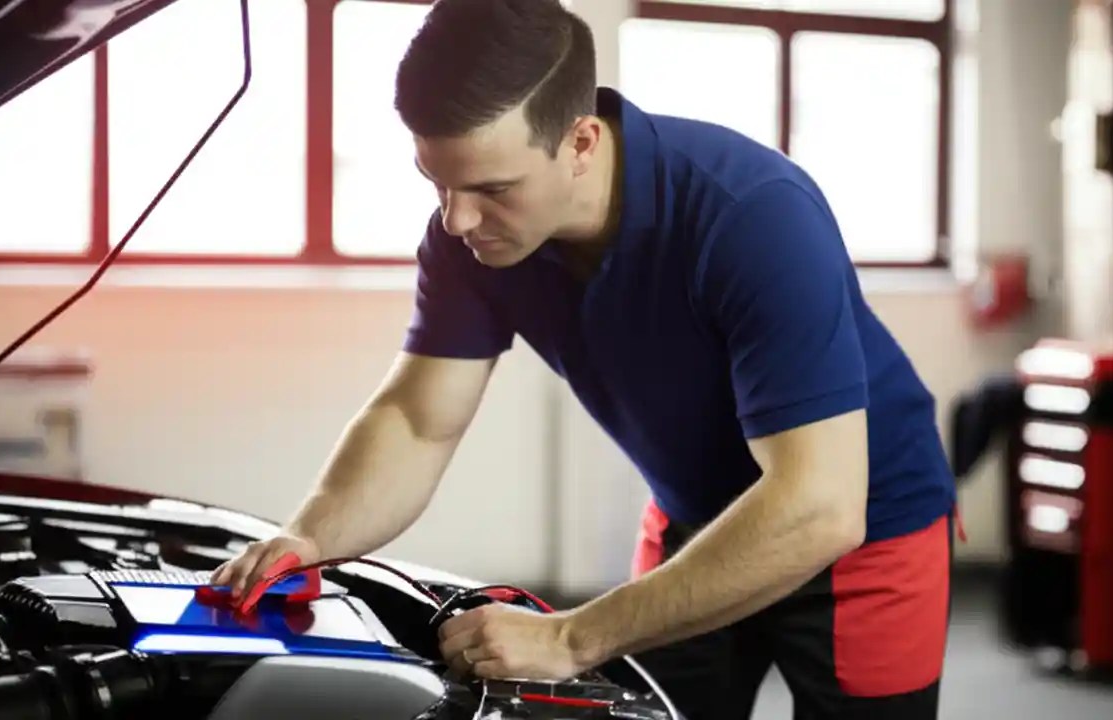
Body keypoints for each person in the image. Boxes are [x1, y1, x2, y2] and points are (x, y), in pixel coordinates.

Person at [210, 0, 960, 717]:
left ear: (580, 143)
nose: (456, 217)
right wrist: (310, 535)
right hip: (696, 517)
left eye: (492, 188)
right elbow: (417, 420)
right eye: (436, 182)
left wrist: (571, 637)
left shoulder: (753, 214)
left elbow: (817, 504)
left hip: (862, 525)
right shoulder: (470, 236)